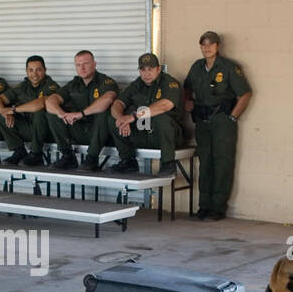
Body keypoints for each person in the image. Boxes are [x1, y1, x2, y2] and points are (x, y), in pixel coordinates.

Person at [185, 31, 251, 220]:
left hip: (222, 120)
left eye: (211, 44)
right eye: (203, 45)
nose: (207, 48)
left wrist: (233, 117)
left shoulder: (229, 68)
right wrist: (187, 102)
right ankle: (204, 205)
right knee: (205, 162)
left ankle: (218, 208)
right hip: (202, 121)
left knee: (222, 163)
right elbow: (187, 87)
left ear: (218, 46)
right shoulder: (197, 67)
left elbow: (245, 94)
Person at [104, 53, 180, 177]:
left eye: (150, 69)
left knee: (161, 117)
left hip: (165, 138)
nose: (147, 73)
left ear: (158, 69)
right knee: (112, 118)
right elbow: (118, 103)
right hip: (142, 134)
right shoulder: (136, 84)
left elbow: (165, 105)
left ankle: (168, 163)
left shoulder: (169, 83)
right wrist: (121, 119)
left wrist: (133, 117)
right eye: (143, 69)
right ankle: (128, 161)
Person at [44, 50, 118, 171]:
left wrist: (81, 114)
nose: (82, 68)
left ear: (94, 64)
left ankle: (92, 158)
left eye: (86, 64)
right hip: (80, 130)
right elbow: (50, 101)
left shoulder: (105, 82)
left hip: (101, 133)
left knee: (105, 111)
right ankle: (68, 156)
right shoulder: (73, 84)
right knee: (53, 113)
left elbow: (108, 99)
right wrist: (61, 114)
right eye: (78, 65)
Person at [0, 55, 59, 167]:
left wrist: (13, 110)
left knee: (40, 112)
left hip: (47, 132)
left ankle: (36, 154)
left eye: (39, 70)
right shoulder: (22, 86)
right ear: (26, 71)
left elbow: (40, 103)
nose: (34, 74)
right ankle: (19, 150)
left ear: (45, 70)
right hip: (29, 129)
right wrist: (4, 112)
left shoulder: (51, 86)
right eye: (31, 70)